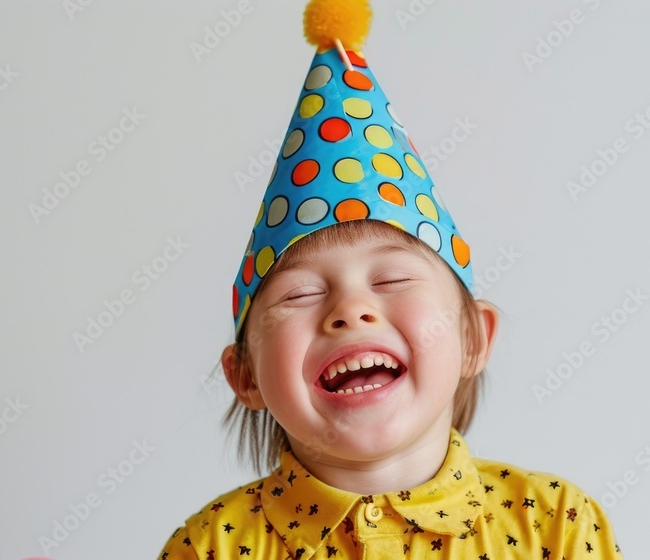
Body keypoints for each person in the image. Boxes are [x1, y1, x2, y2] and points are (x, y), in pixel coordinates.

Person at [157, 1, 622, 558]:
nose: (350, 310)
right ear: (247, 376)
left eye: (393, 280)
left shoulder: (556, 526)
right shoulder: (209, 547)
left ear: (474, 336)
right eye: (300, 293)